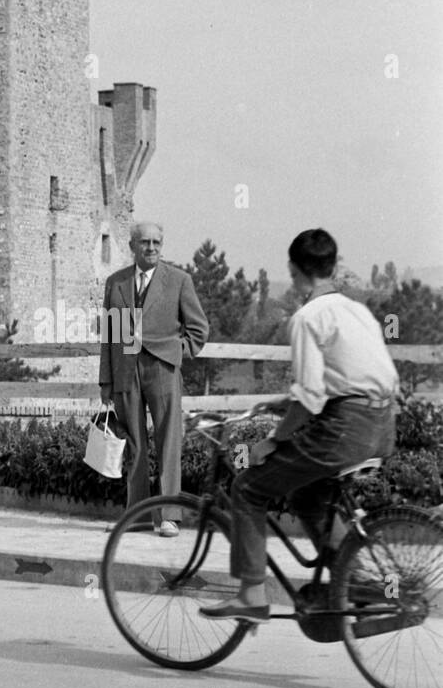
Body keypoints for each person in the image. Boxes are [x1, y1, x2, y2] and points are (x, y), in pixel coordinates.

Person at [202, 228, 399, 623]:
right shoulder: (358, 311)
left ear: (294, 270)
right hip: (381, 423)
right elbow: (340, 380)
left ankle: (252, 595)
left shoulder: (307, 317)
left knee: (248, 488)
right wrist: (282, 402)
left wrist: (272, 441)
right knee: (309, 495)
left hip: (344, 429)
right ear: (332, 266)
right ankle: (354, 581)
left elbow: (310, 396)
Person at [99, 221, 208, 535]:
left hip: (162, 369)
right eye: (144, 242)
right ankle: (138, 515)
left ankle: (169, 516)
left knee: (168, 440)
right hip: (125, 370)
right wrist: (106, 379)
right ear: (132, 246)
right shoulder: (115, 283)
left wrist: (176, 351)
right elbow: (109, 335)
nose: (151, 248)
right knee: (134, 442)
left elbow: (199, 331)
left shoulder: (179, 281)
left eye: (156, 242)